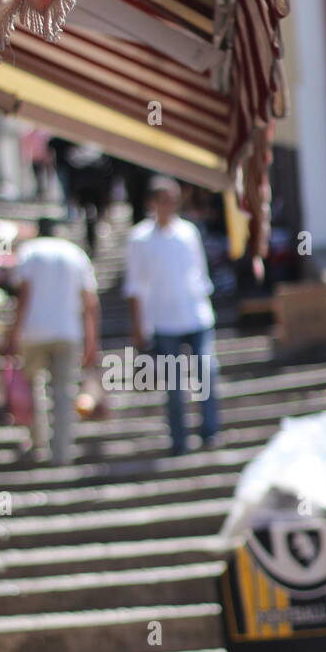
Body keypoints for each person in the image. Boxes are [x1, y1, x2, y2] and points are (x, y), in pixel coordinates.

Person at [124, 176, 220, 456]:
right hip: (164, 320)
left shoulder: (188, 232)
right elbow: (135, 286)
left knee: (206, 372)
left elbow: (199, 273)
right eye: (164, 200)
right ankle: (179, 440)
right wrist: (138, 325)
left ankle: (210, 431)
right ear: (153, 203)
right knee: (175, 385)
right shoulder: (139, 239)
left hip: (196, 314)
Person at [6, 218, 100, 466]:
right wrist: (92, 340)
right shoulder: (75, 254)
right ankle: (62, 453)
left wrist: (13, 333)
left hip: (33, 330)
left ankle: (39, 442)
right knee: (64, 392)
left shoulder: (29, 252)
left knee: (35, 387)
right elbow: (90, 302)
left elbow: (23, 296)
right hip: (69, 332)